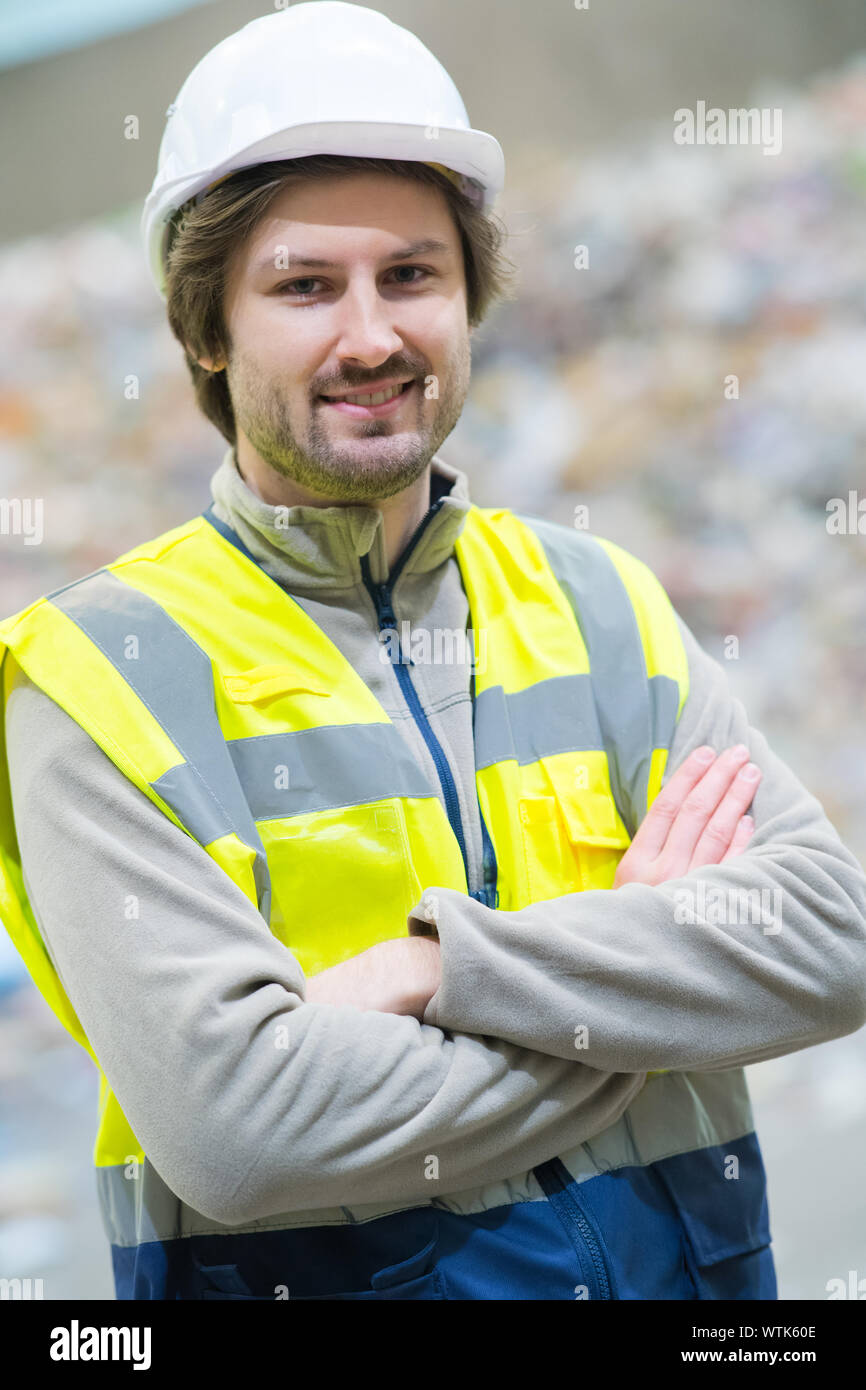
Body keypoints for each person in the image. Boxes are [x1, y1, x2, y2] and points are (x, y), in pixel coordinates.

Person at [1, 2, 864, 1302]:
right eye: (303, 285)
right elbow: (240, 1132)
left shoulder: (595, 598)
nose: (371, 336)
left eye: (411, 274)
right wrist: (646, 967)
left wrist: (433, 967)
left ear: (465, 298)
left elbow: (824, 939)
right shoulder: (97, 674)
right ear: (205, 330)